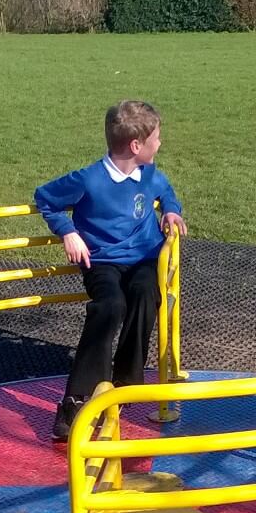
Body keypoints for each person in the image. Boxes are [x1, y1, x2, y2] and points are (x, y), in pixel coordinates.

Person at [34, 100, 188, 442]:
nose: (160, 144)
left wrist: (172, 212)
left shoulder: (149, 174)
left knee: (147, 292)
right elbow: (45, 197)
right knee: (110, 306)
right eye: (157, 138)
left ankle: (127, 381)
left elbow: (166, 192)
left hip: (145, 258)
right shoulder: (89, 179)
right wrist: (68, 232)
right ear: (136, 146)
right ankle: (76, 401)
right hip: (102, 261)